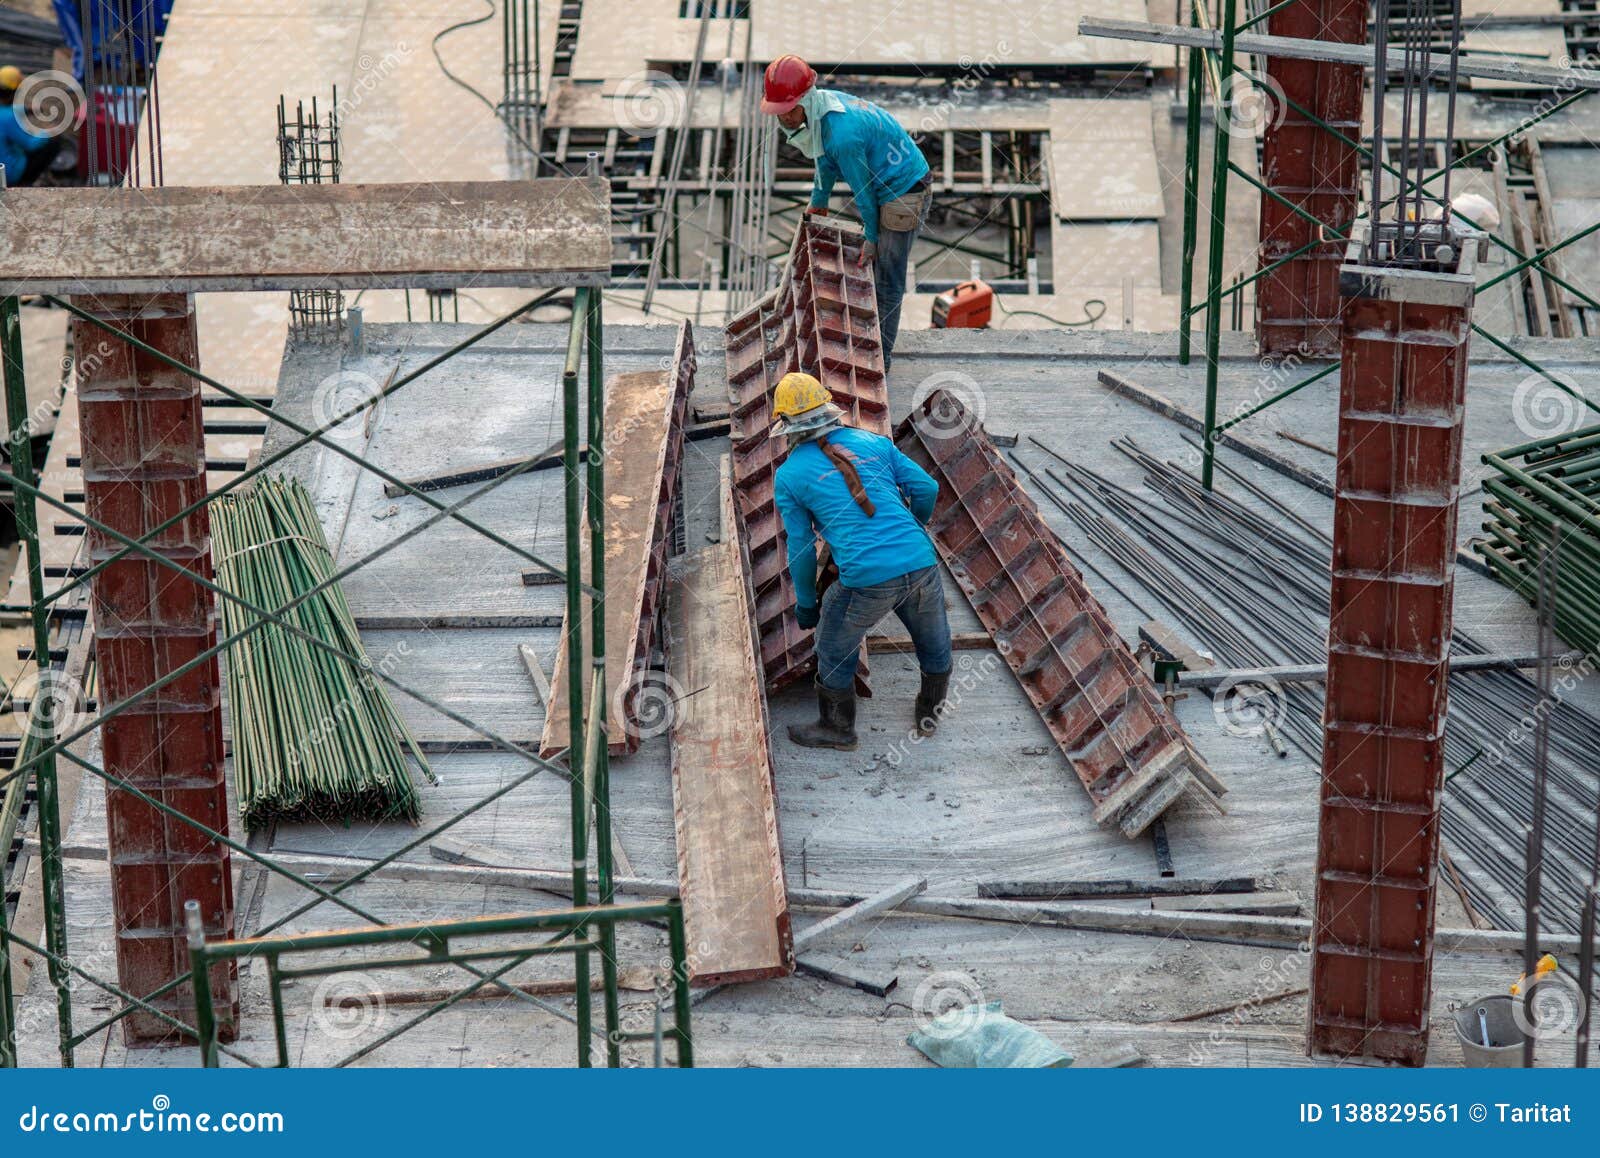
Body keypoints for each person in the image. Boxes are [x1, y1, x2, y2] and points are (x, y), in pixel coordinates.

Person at [771, 372, 952, 750]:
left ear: (787, 426)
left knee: (834, 646)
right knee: (932, 639)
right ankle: (929, 712)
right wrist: (912, 528)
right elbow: (926, 488)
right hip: (921, 561)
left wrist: (806, 605)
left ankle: (837, 729)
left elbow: (802, 547)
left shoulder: (789, 475)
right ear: (828, 411)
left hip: (866, 579)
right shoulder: (875, 442)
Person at [761, 54, 931, 371]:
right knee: (877, 270)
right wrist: (819, 198)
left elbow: (863, 191)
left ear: (804, 102)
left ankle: (881, 360)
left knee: (887, 278)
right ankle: (870, 343)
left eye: (786, 112)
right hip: (887, 179)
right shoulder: (824, 110)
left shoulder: (842, 135)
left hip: (905, 189)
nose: (782, 119)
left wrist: (871, 236)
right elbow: (824, 160)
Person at [0, 66, 62, 187]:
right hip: (8, 174)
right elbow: (30, 145)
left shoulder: (6, 114)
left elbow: (5, 112)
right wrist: (49, 132)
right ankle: (24, 182)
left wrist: (27, 110)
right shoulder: (9, 118)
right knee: (54, 143)